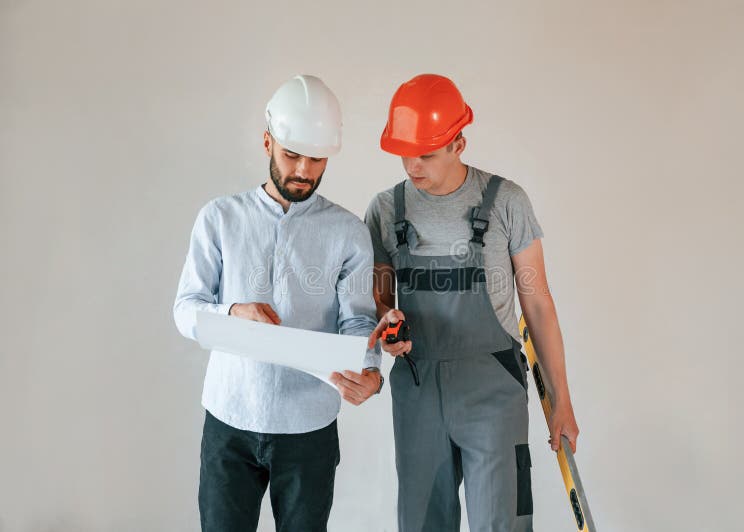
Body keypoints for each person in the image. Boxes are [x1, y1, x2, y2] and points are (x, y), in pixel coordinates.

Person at [365, 73, 580, 532]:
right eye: (405, 152)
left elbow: (538, 305)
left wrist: (562, 401)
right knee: (423, 524)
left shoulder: (506, 202)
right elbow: (379, 298)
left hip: (493, 392)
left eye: (426, 154)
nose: (412, 165)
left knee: (501, 522)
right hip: (418, 388)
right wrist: (388, 324)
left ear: (458, 143)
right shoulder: (386, 210)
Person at [173, 74, 383, 532]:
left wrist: (370, 371)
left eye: (316, 159)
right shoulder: (219, 218)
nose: (304, 171)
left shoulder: (347, 232)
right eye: (292, 155)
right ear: (267, 141)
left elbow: (358, 320)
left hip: (308, 428)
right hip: (229, 421)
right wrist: (232, 313)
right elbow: (185, 309)